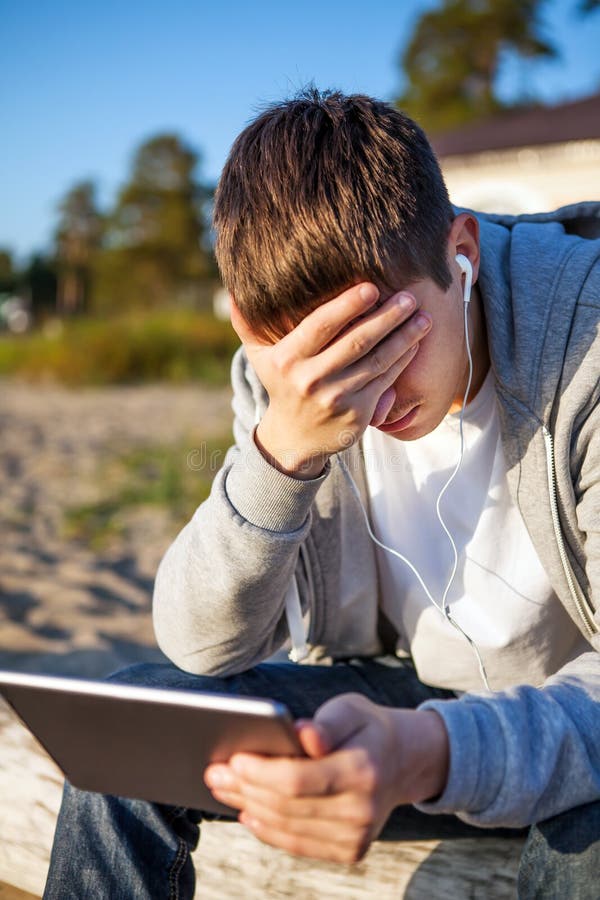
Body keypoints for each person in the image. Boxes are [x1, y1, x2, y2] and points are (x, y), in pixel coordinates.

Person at [44, 89, 600, 899]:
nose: (365, 406)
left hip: (563, 722)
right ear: (247, 327)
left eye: (386, 346)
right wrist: (285, 449)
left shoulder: (587, 340)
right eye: (331, 369)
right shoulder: (290, 388)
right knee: (128, 724)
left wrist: (424, 749)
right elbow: (201, 648)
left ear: (461, 253)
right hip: (401, 700)